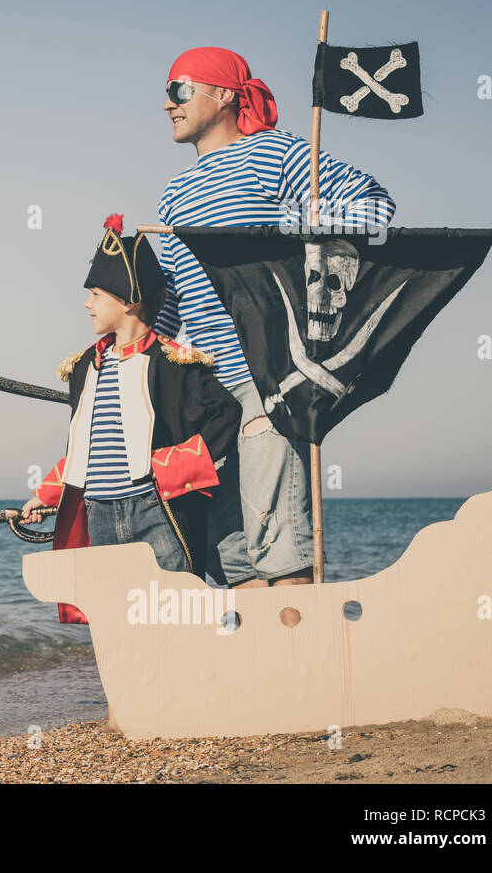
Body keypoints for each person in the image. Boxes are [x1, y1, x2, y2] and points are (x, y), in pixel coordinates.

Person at [154, 46, 395, 589]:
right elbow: (171, 303)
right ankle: (259, 668)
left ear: (223, 95)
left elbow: (374, 205)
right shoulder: (173, 195)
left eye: (179, 89)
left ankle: (305, 664)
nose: (167, 104)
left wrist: (302, 230)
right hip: (206, 396)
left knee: (280, 545)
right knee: (230, 553)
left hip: (270, 380)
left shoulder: (277, 155)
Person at [19, 214, 242, 590]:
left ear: (129, 300)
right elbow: (83, 448)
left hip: (158, 509)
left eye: (95, 295)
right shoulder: (83, 368)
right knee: (118, 620)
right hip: (99, 513)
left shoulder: (175, 363)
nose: (87, 304)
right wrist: (46, 494)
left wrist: (172, 467)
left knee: (175, 611)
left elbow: (227, 414)